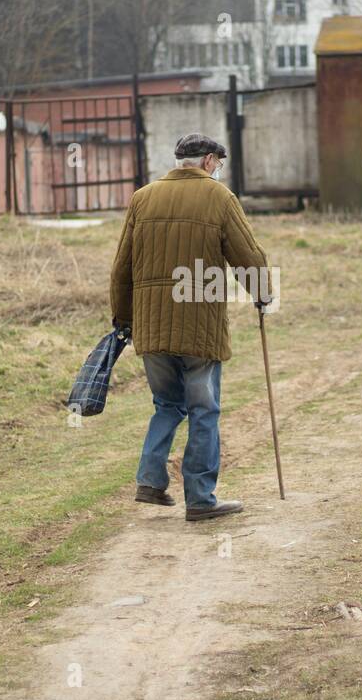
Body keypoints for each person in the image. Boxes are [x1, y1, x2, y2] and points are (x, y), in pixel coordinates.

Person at [110, 133, 270, 522]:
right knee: (203, 409)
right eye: (218, 164)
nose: (218, 170)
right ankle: (200, 499)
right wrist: (262, 293)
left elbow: (121, 269)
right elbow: (247, 255)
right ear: (209, 160)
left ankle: (150, 480)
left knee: (167, 404)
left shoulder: (142, 198)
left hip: (151, 325)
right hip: (199, 323)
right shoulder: (220, 198)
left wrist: (124, 319)